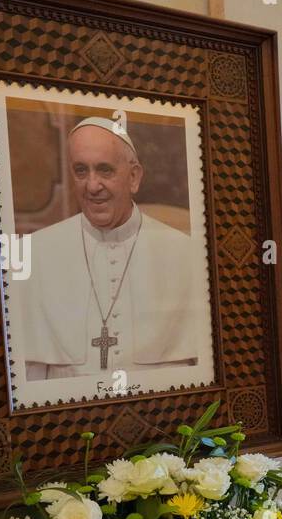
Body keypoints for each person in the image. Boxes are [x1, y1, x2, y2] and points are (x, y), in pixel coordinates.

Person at [13, 117, 203, 381]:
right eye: (81, 171)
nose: (92, 185)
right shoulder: (34, 254)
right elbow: (27, 378)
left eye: (105, 170)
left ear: (134, 177)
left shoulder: (188, 255)